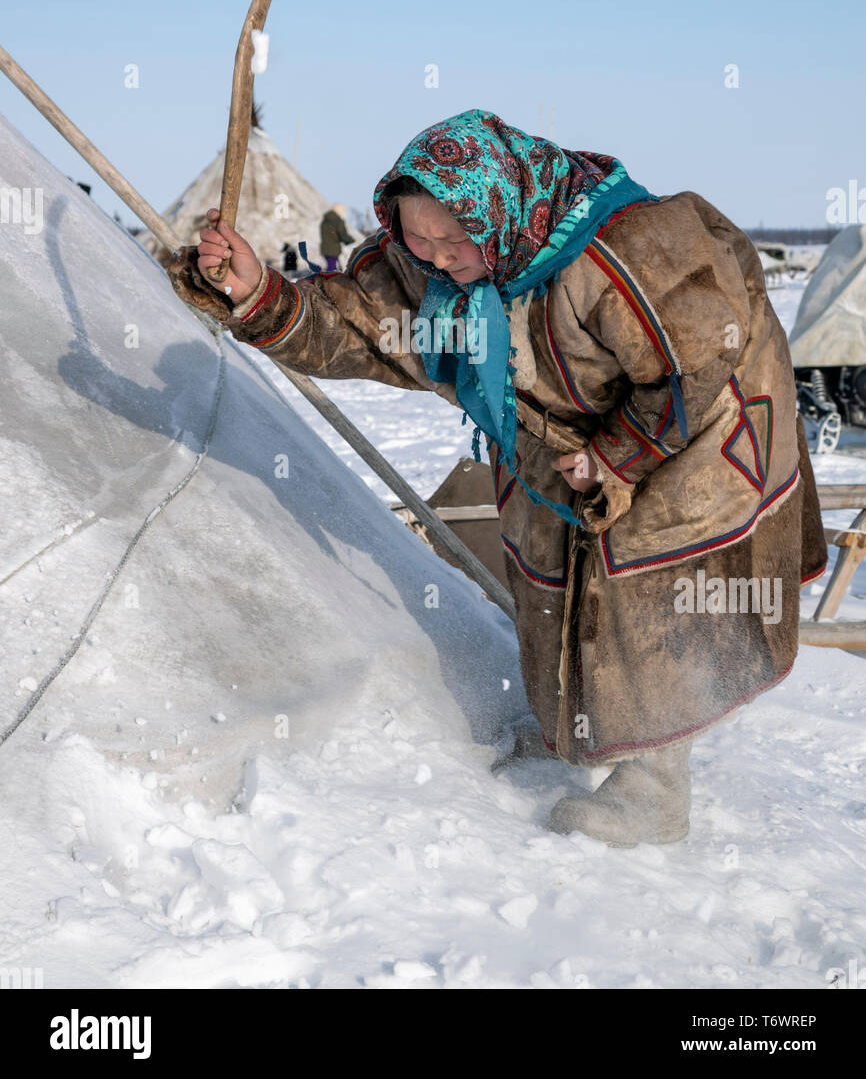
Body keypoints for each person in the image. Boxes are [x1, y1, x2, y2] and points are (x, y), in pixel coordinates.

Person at [168, 109, 828, 848]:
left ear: (498, 212)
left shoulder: (624, 250)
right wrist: (258, 290)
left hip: (695, 426)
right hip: (557, 429)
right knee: (544, 559)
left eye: (455, 240)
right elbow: (354, 324)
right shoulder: (432, 270)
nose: (439, 258)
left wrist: (618, 457)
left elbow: (694, 361)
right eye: (419, 240)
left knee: (644, 578)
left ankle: (652, 789)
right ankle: (574, 726)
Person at [319, 202, 353, 271]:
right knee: (332, 269)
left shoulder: (325, 221)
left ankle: (327, 278)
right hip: (333, 249)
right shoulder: (338, 221)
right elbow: (343, 235)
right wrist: (352, 241)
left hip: (325, 248)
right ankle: (329, 280)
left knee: (332, 267)